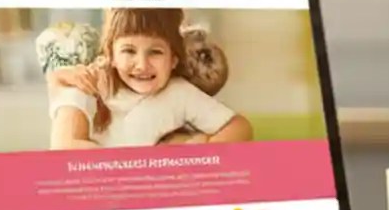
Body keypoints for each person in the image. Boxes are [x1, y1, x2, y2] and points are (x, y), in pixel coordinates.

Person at [48, 8, 253, 148]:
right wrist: (141, 165)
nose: (142, 65)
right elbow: (66, 148)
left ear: (173, 59)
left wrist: (195, 153)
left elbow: (239, 127)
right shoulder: (88, 82)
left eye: (155, 52)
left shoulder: (178, 93)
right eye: (129, 51)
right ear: (111, 55)